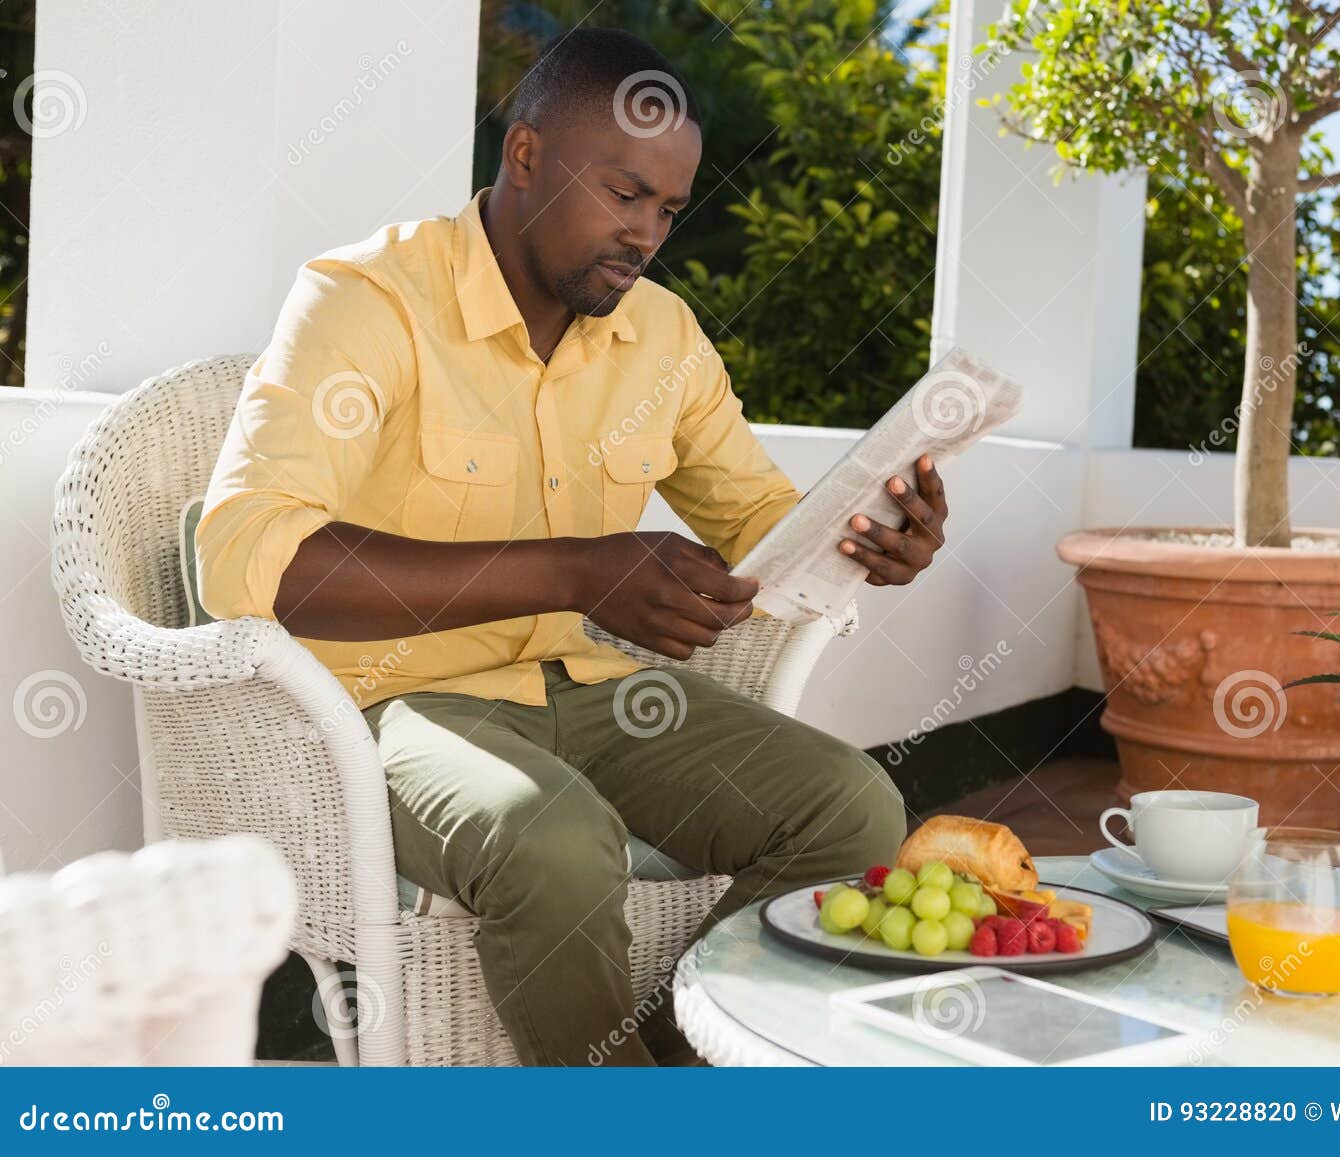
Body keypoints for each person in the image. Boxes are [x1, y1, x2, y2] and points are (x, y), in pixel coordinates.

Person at [195, 27, 949, 1066]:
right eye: (623, 193)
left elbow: (761, 526)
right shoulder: (367, 298)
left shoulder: (663, 336)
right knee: (551, 838)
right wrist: (580, 567)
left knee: (854, 810)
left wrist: (868, 538)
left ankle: (673, 1080)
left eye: (668, 211)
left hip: (591, 693)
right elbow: (252, 562)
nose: (645, 233)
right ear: (525, 158)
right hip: (389, 700)